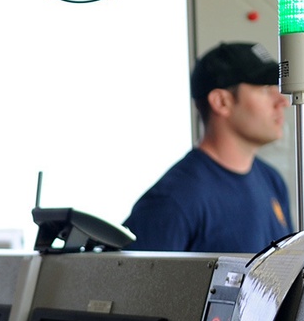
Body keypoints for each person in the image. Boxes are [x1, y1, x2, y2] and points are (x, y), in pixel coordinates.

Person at [123, 41, 294, 253]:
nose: (283, 101)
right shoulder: (174, 199)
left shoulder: (271, 180)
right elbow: (128, 274)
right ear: (221, 102)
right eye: (266, 89)